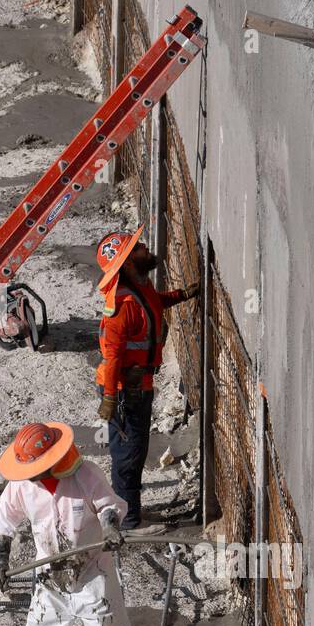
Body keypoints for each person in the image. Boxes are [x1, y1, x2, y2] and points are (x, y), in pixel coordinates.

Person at [0, 421, 132, 626]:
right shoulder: (21, 486)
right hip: (49, 573)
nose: (30, 476)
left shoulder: (86, 474)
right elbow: (3, 524)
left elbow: (108, 506)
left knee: (107, 625)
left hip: (92, 567)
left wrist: (111, 528)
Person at [94, 225, 199, 529]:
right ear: (128, 262)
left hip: (139, 385)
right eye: (137, 247)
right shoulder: (121, 307)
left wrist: (181, 295)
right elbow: (112, 356)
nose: (144, 248)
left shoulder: (141, 287)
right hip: (125, 390)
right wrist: (111, 399)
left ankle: (131, 511)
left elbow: (154, 305)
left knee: (136, 450)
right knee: (127, 453)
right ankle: (128, 522)